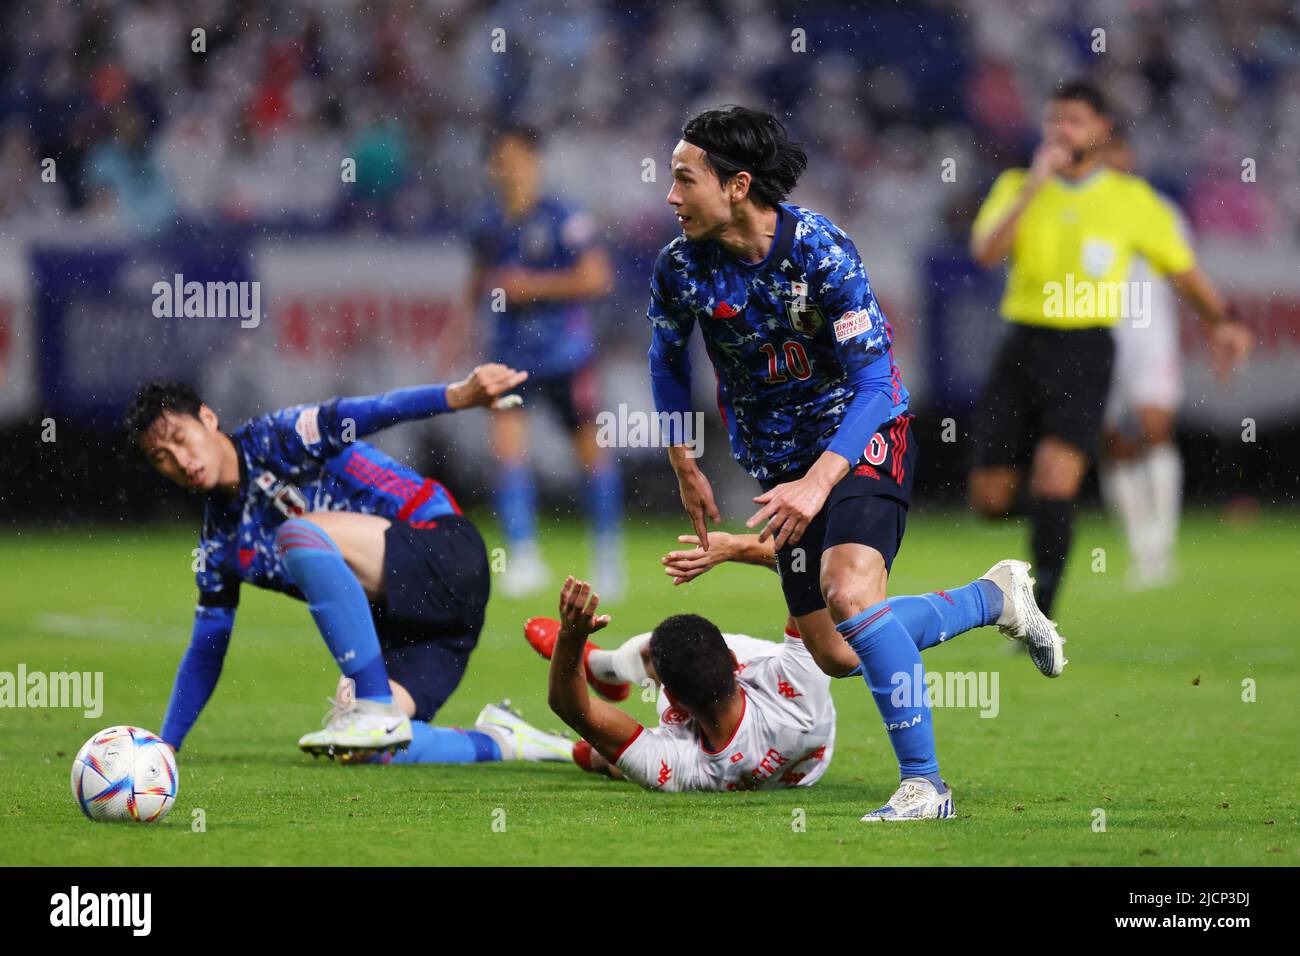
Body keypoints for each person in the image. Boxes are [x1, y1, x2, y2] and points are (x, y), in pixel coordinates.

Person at [645, 105, 1064, 820]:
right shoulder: (682, 268)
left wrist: (819, 481)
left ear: (738, 185)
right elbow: (666, 359)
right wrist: (684, 458)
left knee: (849, 592)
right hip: (782, 468)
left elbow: (877, 382)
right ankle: (994, 599)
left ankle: (926, 785)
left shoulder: (821, 252)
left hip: (863, 435)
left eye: (685, 179)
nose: (671, 196)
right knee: (838, 651)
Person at [125, 366, 566, 766]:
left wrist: (455, 395)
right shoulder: (218, 543)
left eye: (180, 439)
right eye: (161, 457)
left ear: (206, 418)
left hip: (444, 551)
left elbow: (373, 410)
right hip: (416, 623)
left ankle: (374, 707)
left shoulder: (277, 439)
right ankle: (507, 741)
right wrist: (167, 744)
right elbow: (208, 646)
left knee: (298, 534)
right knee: (362, 749)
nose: (180, 461)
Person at [968, 80, 1252, 615]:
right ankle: (1055, 511)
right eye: (1054, 120)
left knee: (1057, 480)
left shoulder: (1130, 200)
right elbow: (986, 252)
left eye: (1073, 120)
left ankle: (1039, 620)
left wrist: (1223, 320)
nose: (1060, 131)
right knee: (990, 501)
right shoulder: (1016, 185)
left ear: (1101, 130)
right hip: (1023, 347)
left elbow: (1182, 270)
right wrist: (1033, 186)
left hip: (1086, 349)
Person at [467, 125, 622, 598]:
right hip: (509, 354)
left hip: (564, 354)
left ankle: (606, 555)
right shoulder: (487, 222)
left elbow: (597, 279)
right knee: (507, 451)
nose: (508, 167)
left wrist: (530, 287)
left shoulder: (563, 215)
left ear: (534, 159)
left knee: (589, 452)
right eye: (500, 158)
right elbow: (476, 285)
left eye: (516, 156)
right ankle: (524, 556)